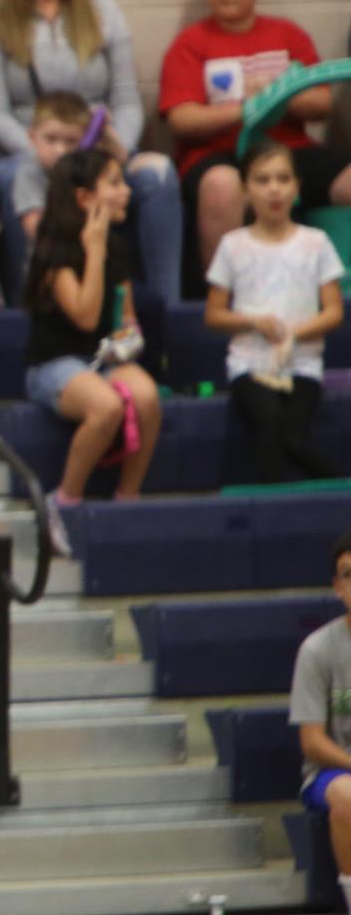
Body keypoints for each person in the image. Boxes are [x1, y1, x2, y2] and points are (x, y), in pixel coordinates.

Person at [0, 0, 183, 301]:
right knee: (15, 179)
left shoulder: (103, 11)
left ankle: (165, 311)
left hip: (102, 150)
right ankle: (30, 308)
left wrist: (112, 154)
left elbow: (124, 96)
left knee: (159, 176)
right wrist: (49, 153)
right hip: (31, 152)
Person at [159, 0, 351, 275]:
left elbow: (322, 104)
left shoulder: (287, 34)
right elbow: (181, 118)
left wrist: (279, 94)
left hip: (291, 150)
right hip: (220, 156)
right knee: (221, 185)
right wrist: (245, 110)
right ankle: (225, 301)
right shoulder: (190, 43)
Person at [22, 148, 161, 556]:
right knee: (106, 407)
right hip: (53, 366)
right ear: (84, 198)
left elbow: (126, 317)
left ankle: (126, 500)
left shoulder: (117, 249)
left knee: (147, 395)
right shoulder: (57, 254)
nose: (126, 192)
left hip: (100, 360)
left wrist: (128, 340)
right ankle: (62, 503)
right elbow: (83, 316)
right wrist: (94, 250)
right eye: (114, 183)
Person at [204, 141, 344, 483]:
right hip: (249, 366)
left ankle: (338, 490)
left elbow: (334, 312)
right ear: (245, 189)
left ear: (297, 186)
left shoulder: (316, 243)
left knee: (293, 437)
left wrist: (294, 333)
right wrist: (254, 321)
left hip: (303, 366)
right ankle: (275, 508)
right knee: (268, 423)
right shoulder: (233, 245)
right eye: (262, 180)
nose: (274, 189)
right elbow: (214, 315)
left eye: (283, 179)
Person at [292, 529, 351, 913]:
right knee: (350, 797)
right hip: (333, 771)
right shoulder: (317, 649)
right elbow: (312, 742)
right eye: (349, 574)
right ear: (336, 586)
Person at [7, 92, 96, 249]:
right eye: (51, 139)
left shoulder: (87, 168)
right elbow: (35, 229)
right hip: (50, 260)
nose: (60, 150)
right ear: (32, 137)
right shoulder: (30, 173)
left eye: (71, 141)